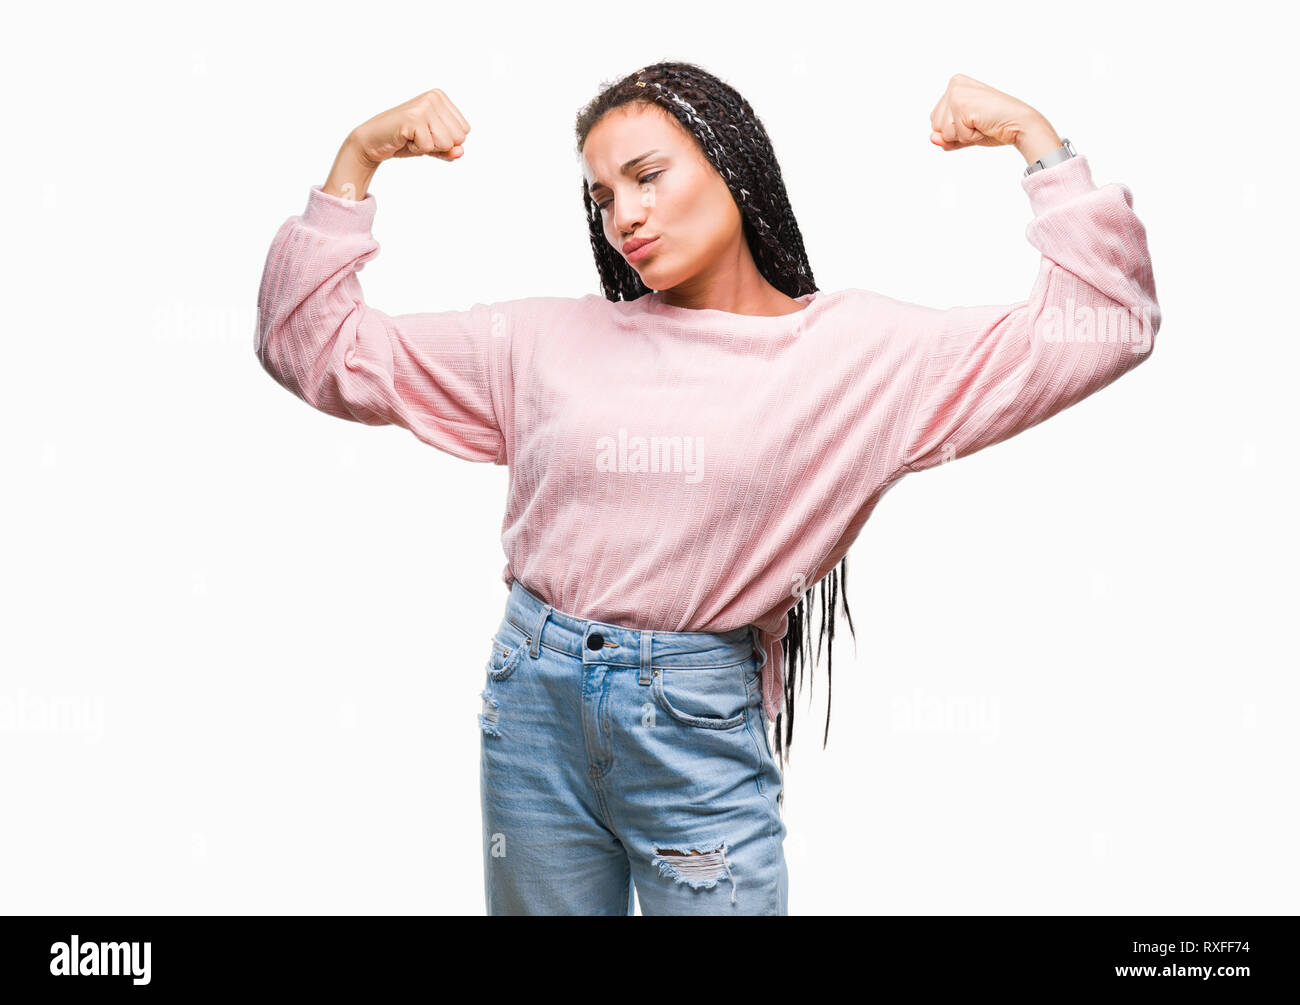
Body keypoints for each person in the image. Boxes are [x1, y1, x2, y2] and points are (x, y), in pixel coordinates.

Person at [253, 62, 1161, 915]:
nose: (624, 218)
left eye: (648, 176)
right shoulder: (541, 340)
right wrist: (357, 159)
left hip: (692, 720)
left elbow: (1106, 325)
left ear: (729, 158)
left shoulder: (854, 355)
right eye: (603, 195)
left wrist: (1035, 142)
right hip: (531, 701)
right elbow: (313, 349)